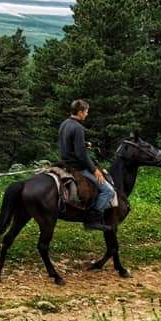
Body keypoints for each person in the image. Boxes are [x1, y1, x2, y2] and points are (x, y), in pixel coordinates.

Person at [58, 99, 113, 231]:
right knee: (108, 191)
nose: (87, 114)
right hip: (77, 167)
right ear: (80, 111)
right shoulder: (78, 128)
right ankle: (93, 220)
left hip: (65, 163)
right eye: (86, 111)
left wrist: (84, 144)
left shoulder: (64, 124)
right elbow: (81, 155)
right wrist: (95, 170)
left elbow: (68, 145)